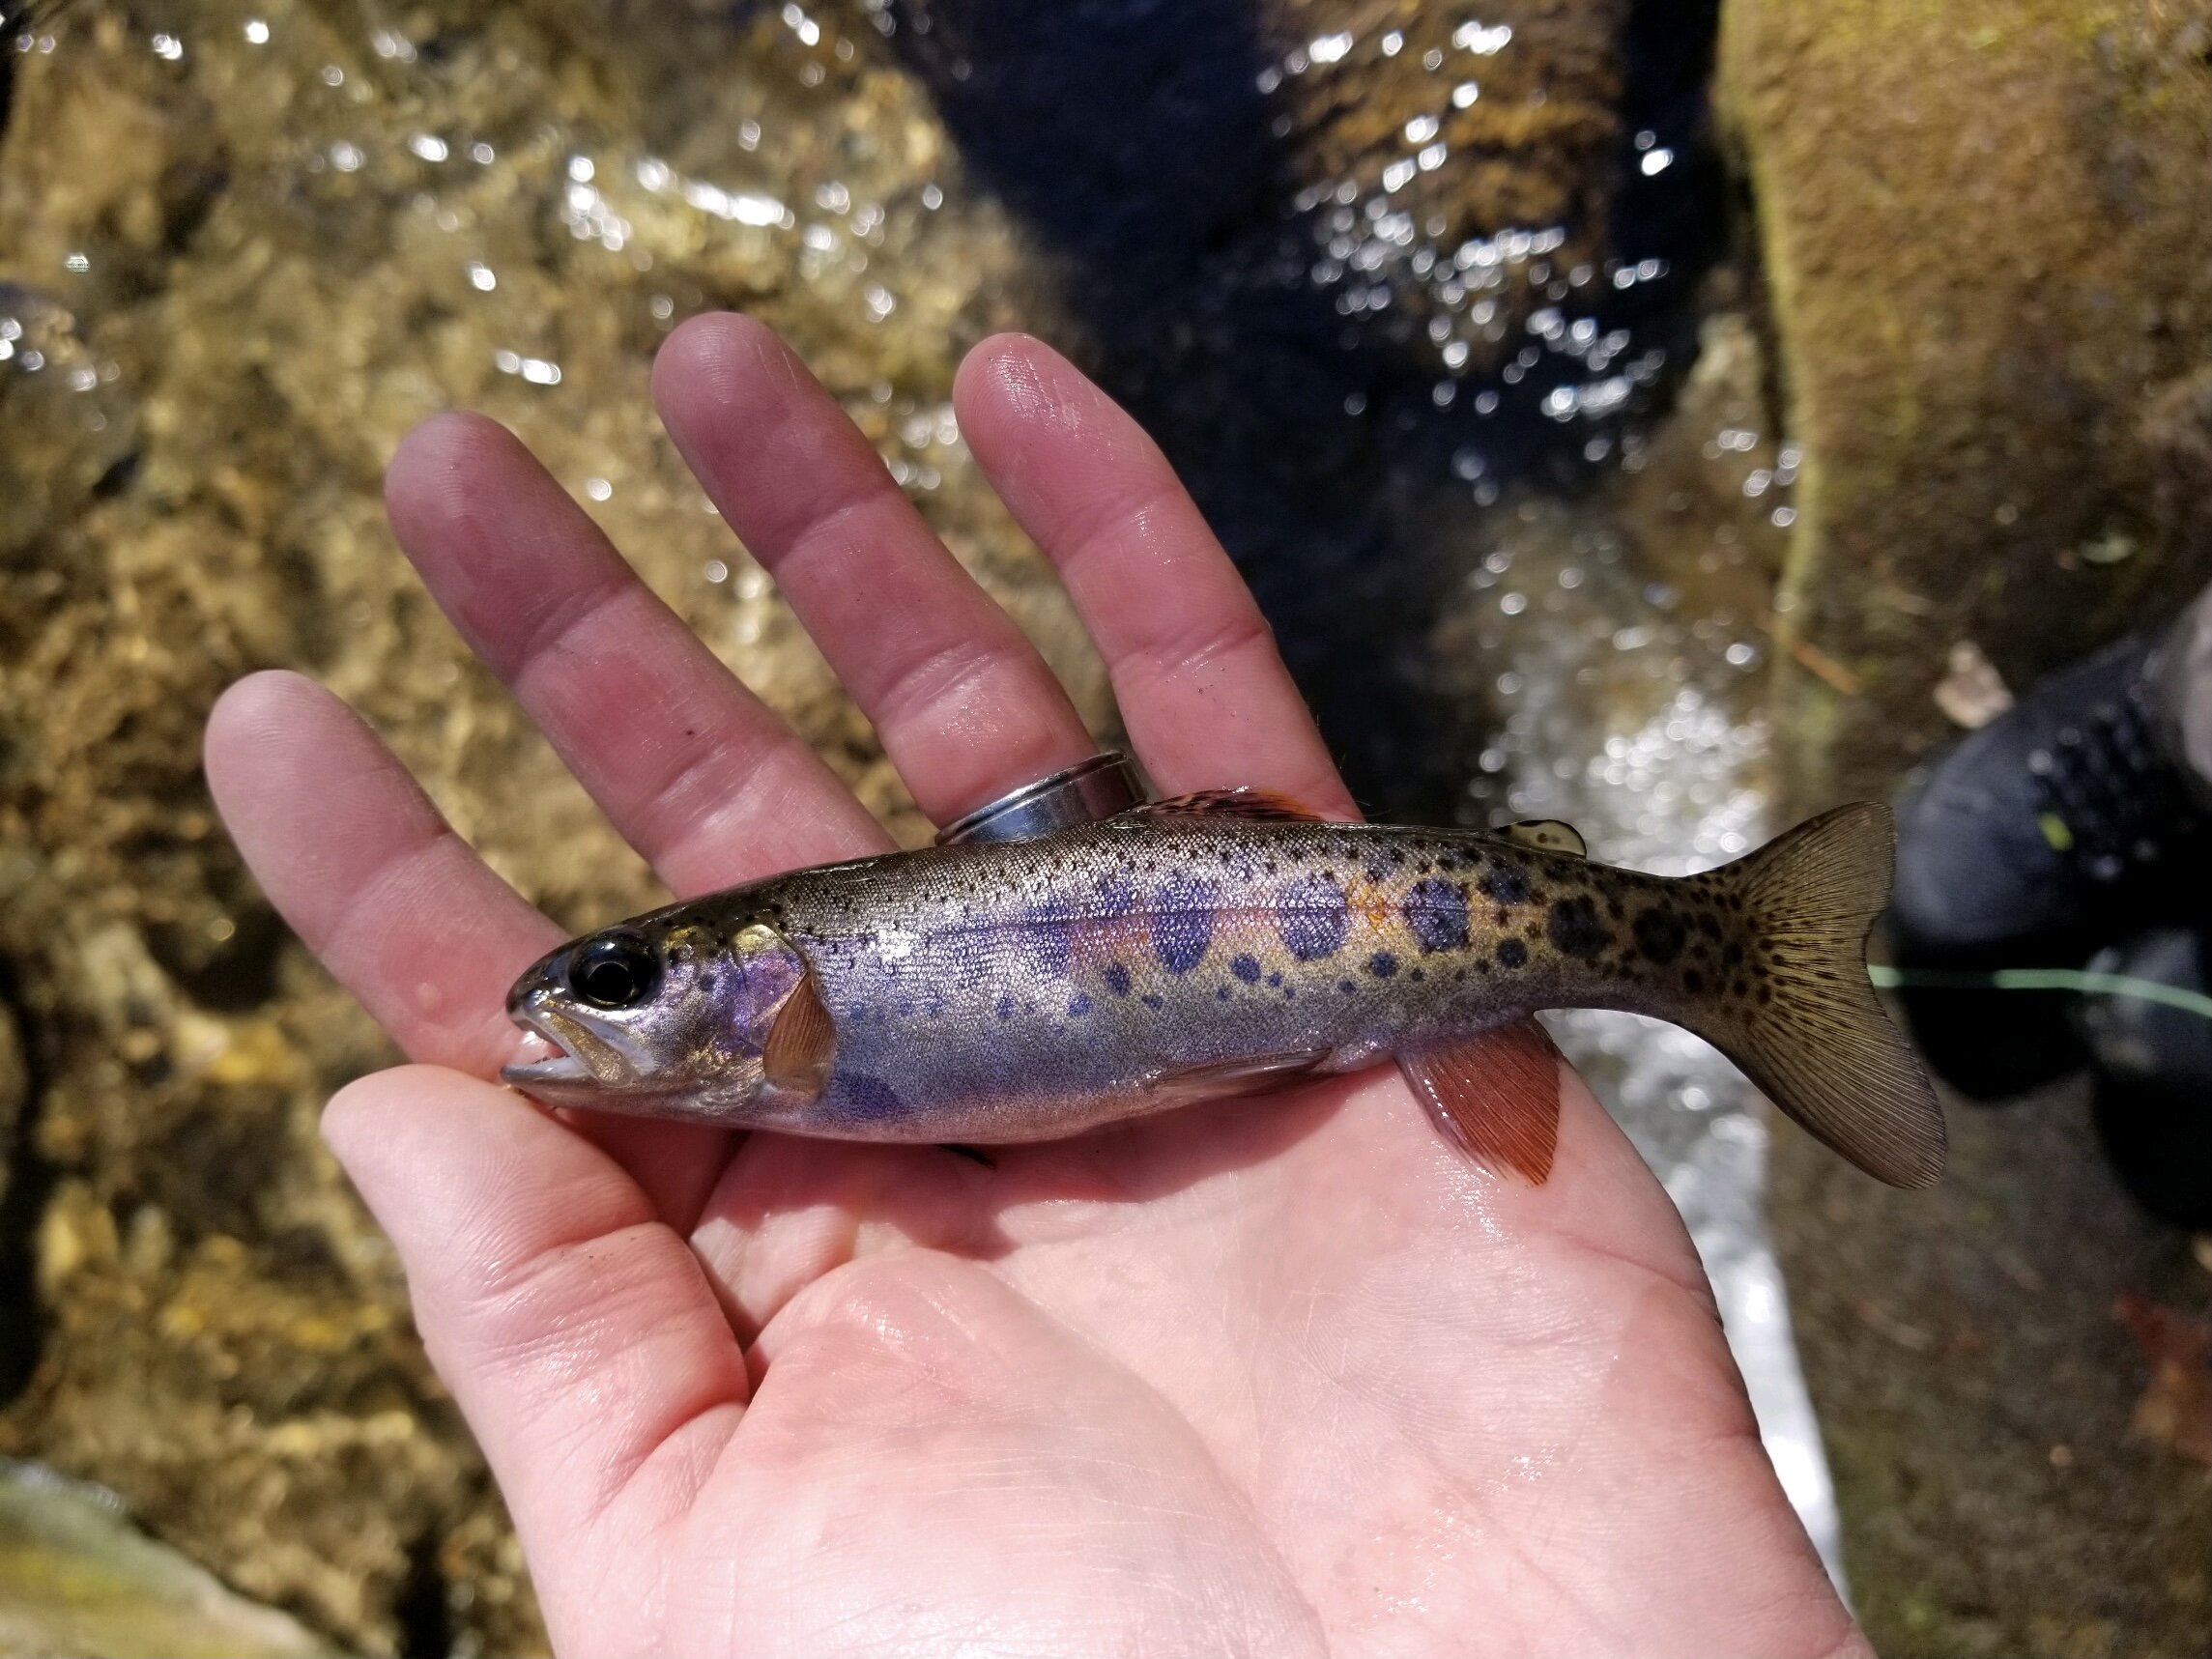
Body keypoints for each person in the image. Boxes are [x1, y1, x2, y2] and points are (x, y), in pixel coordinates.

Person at [204, 315, 1866, 1656]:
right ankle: (1710, 938)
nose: (580, 1015)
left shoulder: (803, 1042)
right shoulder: (785, 1060)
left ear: (748, 974)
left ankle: (1725, 941)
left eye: (627, 980)